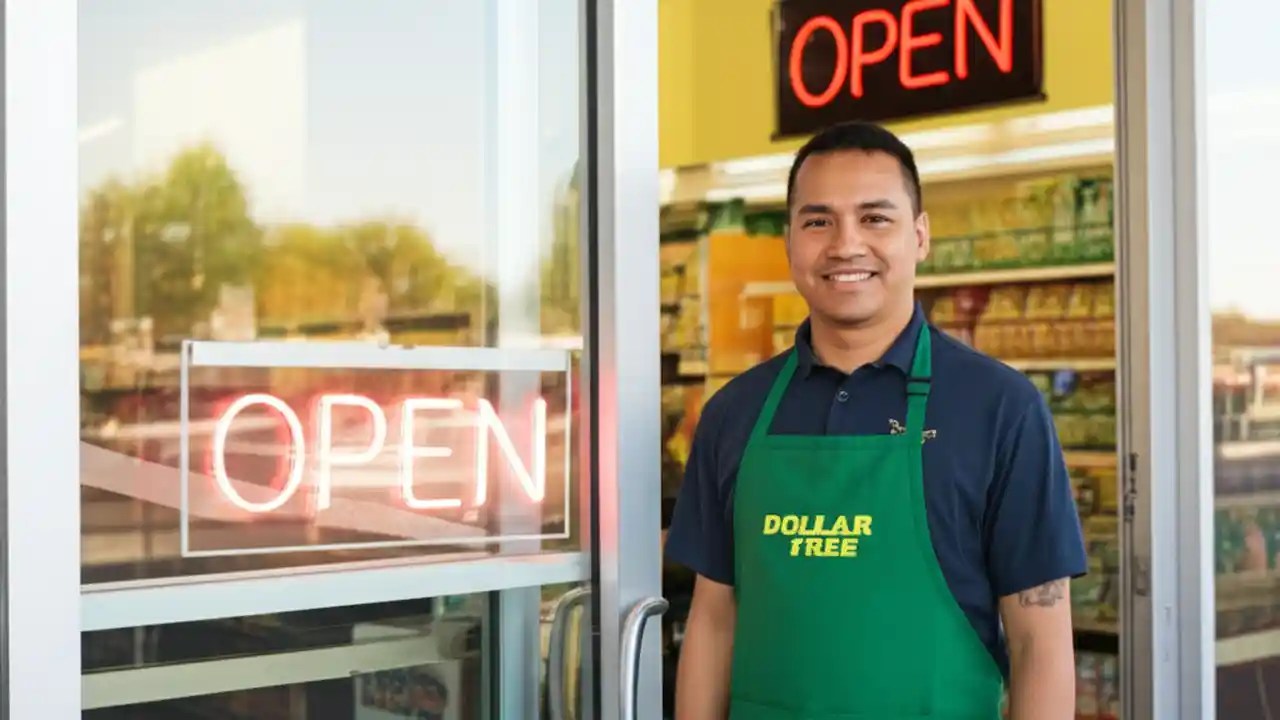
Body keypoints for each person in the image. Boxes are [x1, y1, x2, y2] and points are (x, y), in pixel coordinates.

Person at [665, 121, 1086, 719]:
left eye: (875, 218)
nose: (845, 244)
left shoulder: (1000, 408)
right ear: (789, 242)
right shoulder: (735, 412)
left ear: (919, 236)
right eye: (818, 221)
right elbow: (713, 620)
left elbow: (1039, 639)